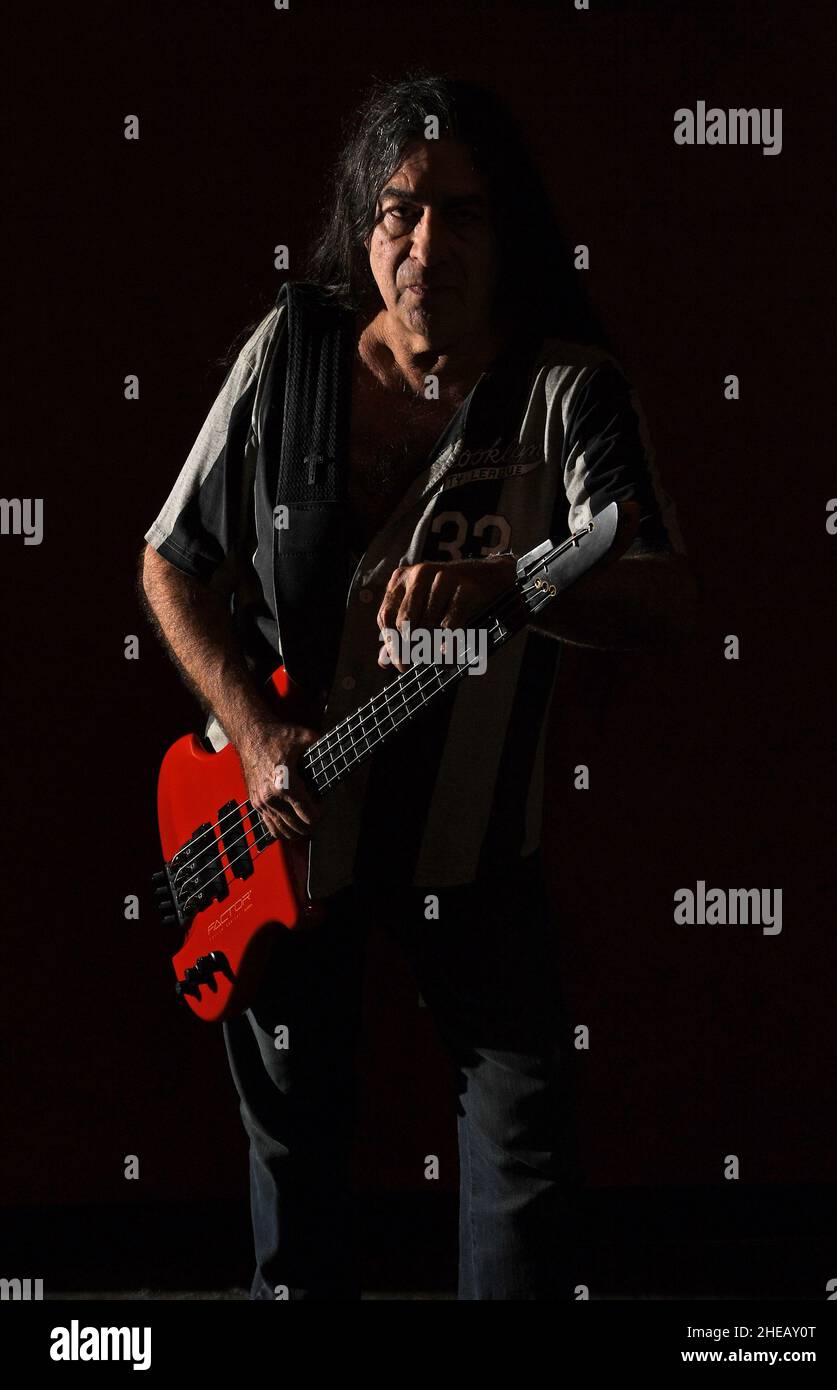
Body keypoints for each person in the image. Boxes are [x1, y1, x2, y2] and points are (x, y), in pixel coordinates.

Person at [139, 72, 698, 1301]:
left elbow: (661, 594)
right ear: (362, 222)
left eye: (463, 213)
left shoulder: (567, 393)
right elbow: (171, 562)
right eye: (397, 211)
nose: (425, 243)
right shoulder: (287, 355)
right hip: (277, 849)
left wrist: (520, 587)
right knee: (294, 1189)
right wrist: (253, 729)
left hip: (476, 856)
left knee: (523, 1178)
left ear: (511, 236)